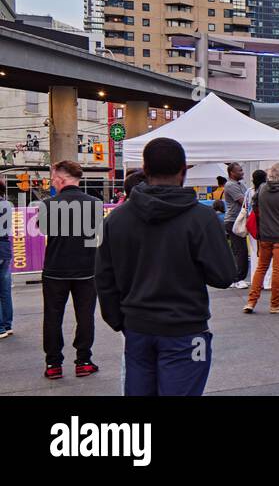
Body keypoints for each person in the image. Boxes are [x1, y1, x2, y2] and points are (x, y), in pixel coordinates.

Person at [95, 137, 239, 395]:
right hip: (186, 328)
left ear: (145, 170)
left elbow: (104, 279)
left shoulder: (116, 219)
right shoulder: (202, 218)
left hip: (137, 329)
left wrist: (121, 322)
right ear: (183, 171)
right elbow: (224, 275)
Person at [37, 160, 102, 379]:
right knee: (85, 316)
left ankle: (53, 364)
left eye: (54, 177)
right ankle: (83, 360)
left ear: (61, 179)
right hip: (86, 269)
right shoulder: (94, 203)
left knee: (52, 317)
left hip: (55, 269)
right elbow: (98, 236)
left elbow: (43, 228)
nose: (52, 181)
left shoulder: (49, 204)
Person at [221, 163, 248, 290]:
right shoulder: (230, 185)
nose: (242, 172)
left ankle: (234, 277)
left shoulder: (240, 184)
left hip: (237, 220)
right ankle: (238, 278)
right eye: (240, 170)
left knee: (237, 250)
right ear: (232, 173)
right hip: (234, 220)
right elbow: (244, 201)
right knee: (241, 250)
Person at [0, 179, 13, 340]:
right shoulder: (7, 204)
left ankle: (1, 326)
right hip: (4, 246)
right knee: (5, 290)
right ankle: (7, 324)